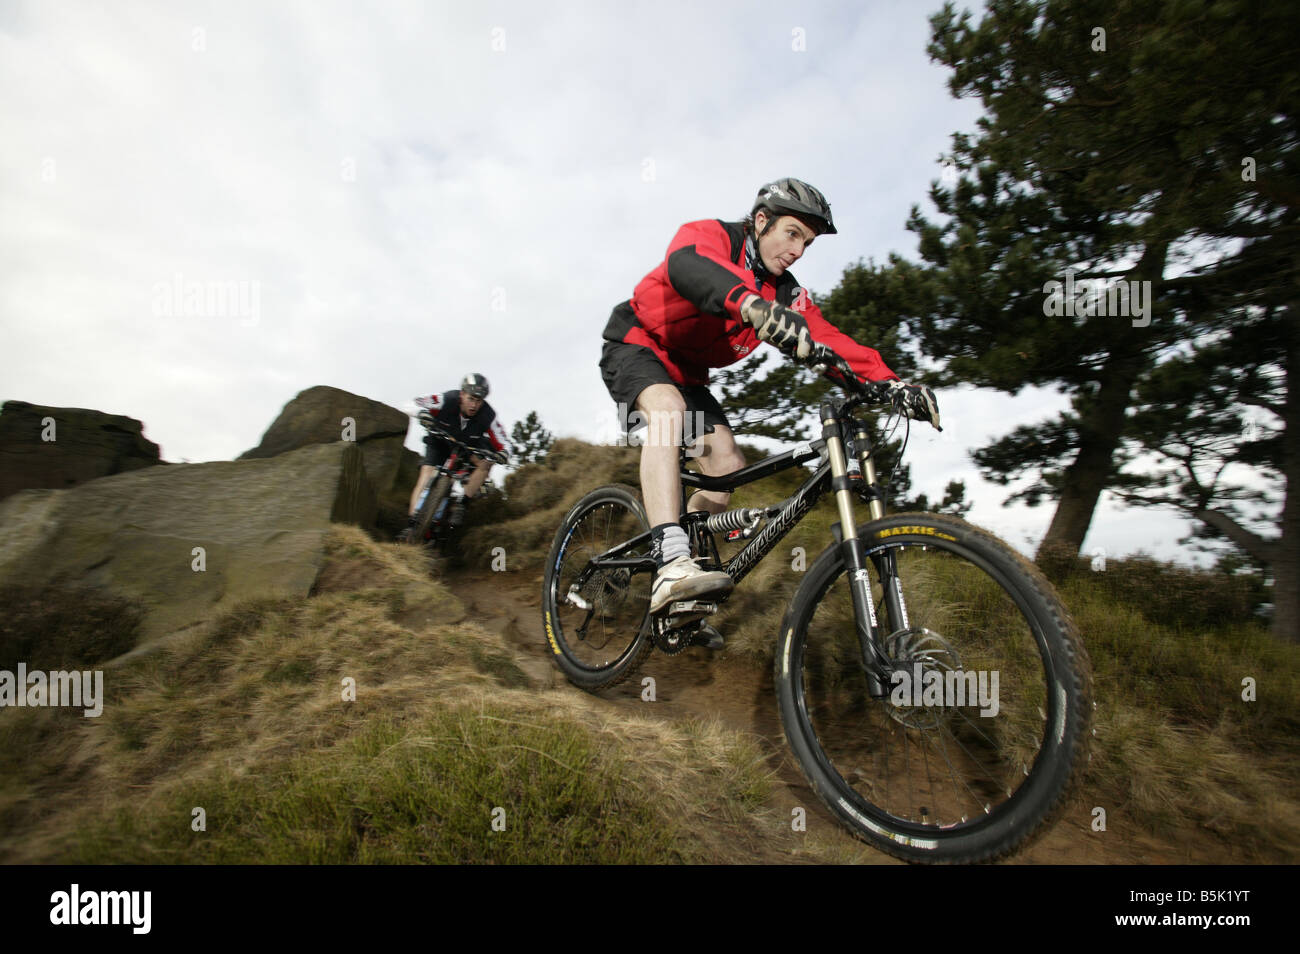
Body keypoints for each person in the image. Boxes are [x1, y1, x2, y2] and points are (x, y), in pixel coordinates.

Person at [599, 177, 938, 623]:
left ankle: (683, 563)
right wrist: (750, 305)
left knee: (725, 468)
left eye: (807, 243)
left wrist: (893, 384)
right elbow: (687, 265)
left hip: (688, 377)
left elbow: (829, 340)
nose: (797, 250)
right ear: (762, 221)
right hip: (636, 344)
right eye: (792, 234)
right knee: (667, 411)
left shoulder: (787, 294)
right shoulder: (713, 236)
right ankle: (669, 559)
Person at [405, 373, 510, 531]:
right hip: (439, 440)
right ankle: (412, 522)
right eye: (471, 399)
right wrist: (422, 413)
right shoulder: (446, 399)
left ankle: (462, 503)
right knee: (427, 473)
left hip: (464, 447)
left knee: (486, 463)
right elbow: (414, 403)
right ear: (462, 394)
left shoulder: (488, 415)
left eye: (479, 400)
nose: (474, 405)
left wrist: (504, 453)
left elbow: (504, 441)